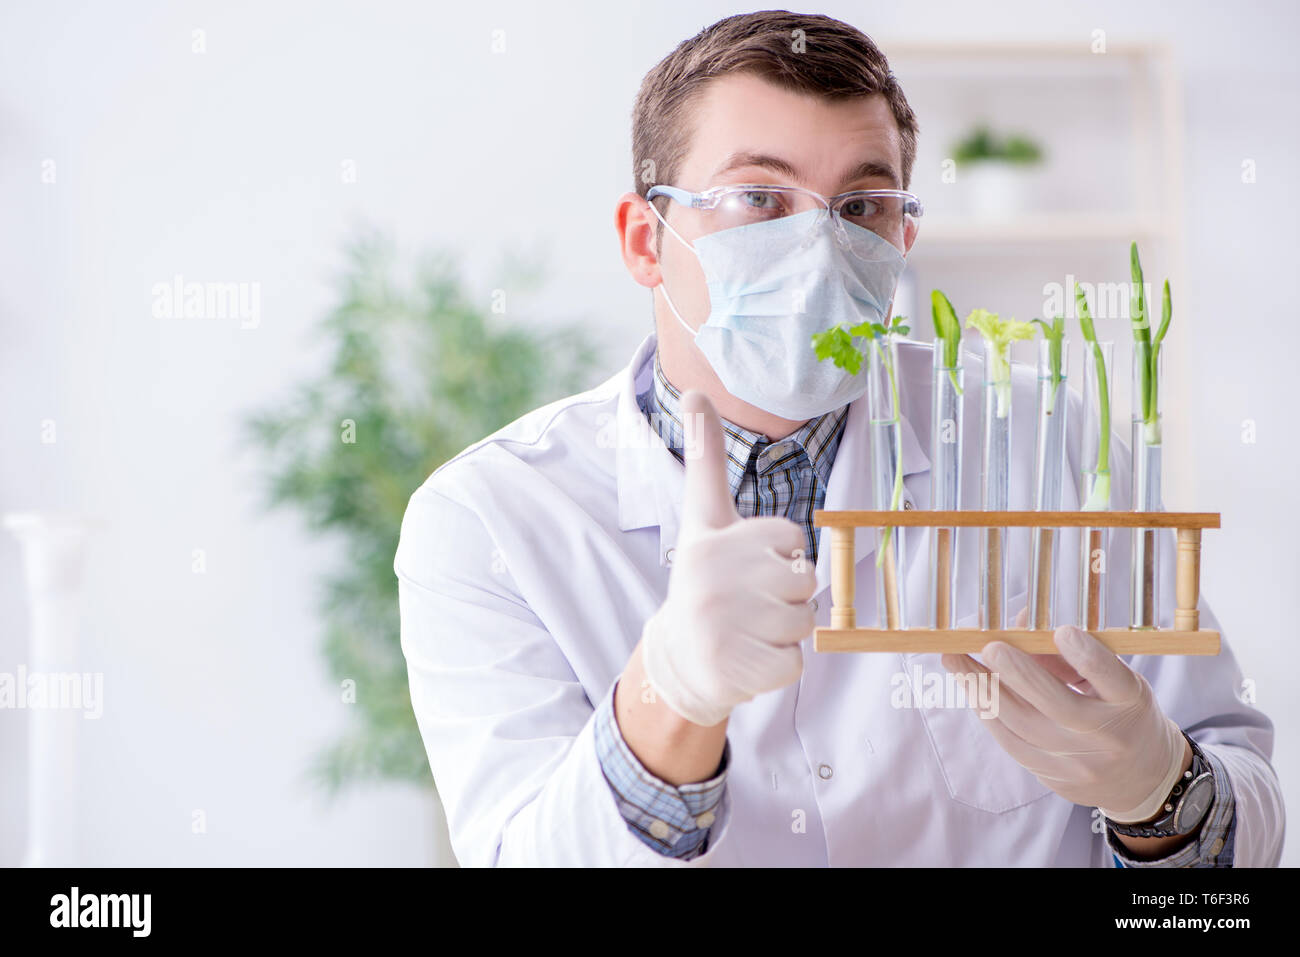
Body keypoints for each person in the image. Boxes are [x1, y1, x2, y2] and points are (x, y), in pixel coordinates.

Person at [393, 10, 1283, 866]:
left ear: (905, 234)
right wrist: (664, 697)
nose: (817, 247)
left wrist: (1161, 792)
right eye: (756, 197)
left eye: (860, 206)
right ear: (643, 241)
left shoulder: (1046, 445)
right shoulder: (490, 520)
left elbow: (1228, 867)